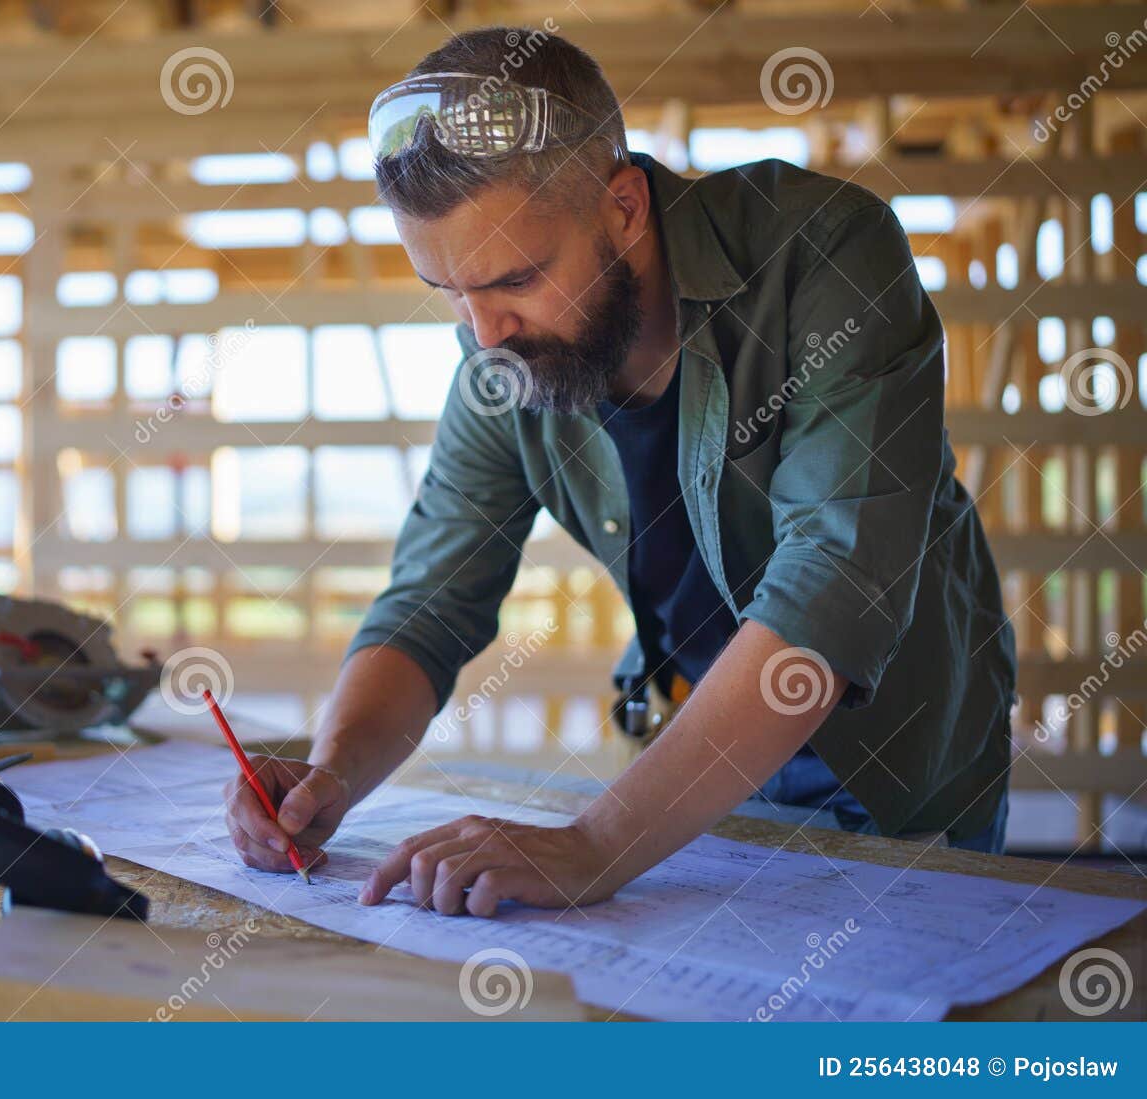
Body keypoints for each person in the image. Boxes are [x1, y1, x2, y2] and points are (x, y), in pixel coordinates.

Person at [222, 27, 1015, 918]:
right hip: (690, 769)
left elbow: (836, 582)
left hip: (901, 769)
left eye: (515, 278)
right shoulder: (499, 356)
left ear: (625, 209)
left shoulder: (826, 254)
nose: (484, 333)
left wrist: (597, 844)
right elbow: (428, 605)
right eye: (449, 291)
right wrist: (331, 776)